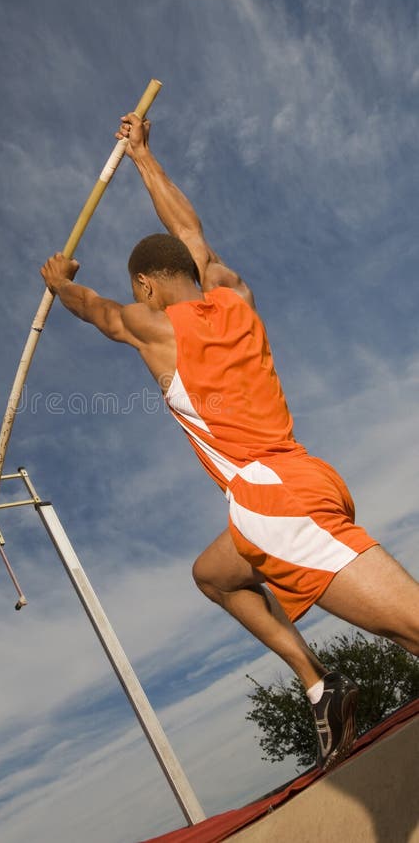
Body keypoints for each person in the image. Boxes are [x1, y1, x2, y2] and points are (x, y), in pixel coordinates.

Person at [41, 113, 419, 771]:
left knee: (412, 628)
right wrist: (143, 156)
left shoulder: (154, 329)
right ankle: (321, 686)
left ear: (145, 287)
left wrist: (60, 283)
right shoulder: (233, 295)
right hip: (304, 479)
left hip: (276, 506)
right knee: (213, 576)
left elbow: (96, 311)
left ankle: (323, 684)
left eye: (138, 291)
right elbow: (191, 232)